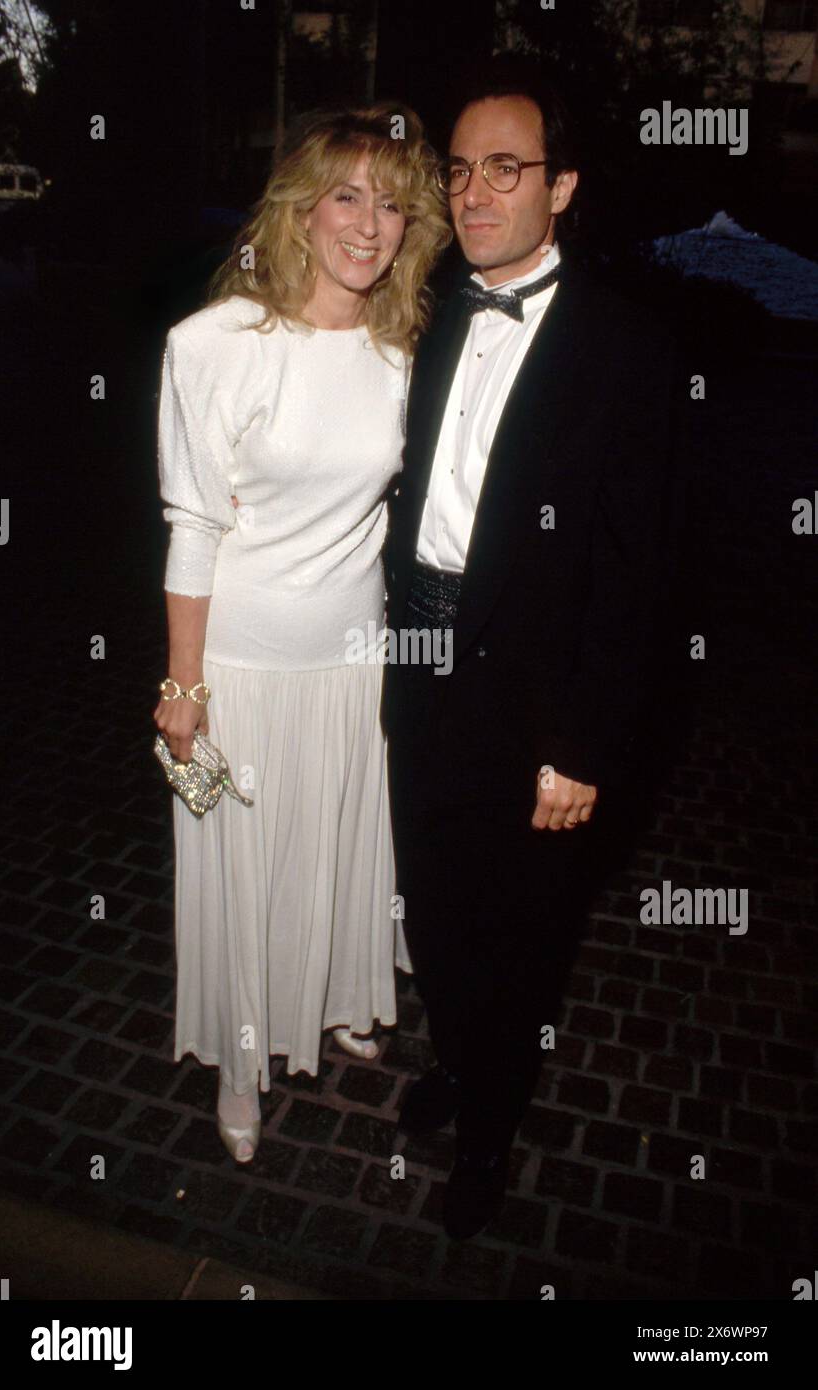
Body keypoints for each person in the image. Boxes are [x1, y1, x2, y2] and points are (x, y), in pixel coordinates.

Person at [381, 66, 679, 1238]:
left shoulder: (628, 346)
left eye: (504, 167)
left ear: (560, 186)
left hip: (535, 703)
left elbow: (640, 573)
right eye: (458, 167)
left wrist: (581, 742)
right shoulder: (432, 307)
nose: (471, 191)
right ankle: (459, 1061)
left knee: (519, 931)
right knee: (438, 906)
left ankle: (492, 1130)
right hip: (419, 661)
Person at [154, 104, 450, 1162]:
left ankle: (340, 998)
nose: (370, 224)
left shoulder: (404, 347)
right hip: (245, 662)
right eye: (347, 195)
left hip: (357, 658)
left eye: (392, 202)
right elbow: (193, 524)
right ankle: (240, 1069)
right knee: (245, 875)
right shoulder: (214, 344)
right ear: (300, 207)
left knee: (341, 849)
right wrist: (184, 685)